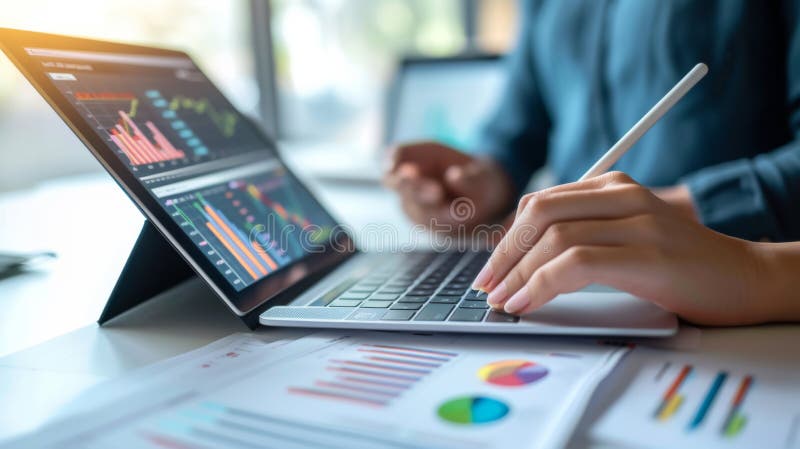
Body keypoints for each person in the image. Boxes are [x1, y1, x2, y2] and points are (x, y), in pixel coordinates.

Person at [384, 1, 800, 325]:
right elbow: (517, 130)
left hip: (724, 291)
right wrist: (481, 183)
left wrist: (683, 208)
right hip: (561, 274)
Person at [469, 171, 800, 326]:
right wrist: (475, 188)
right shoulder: (539, 27)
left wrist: (754, 270)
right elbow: (514, 140)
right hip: (562, 255)